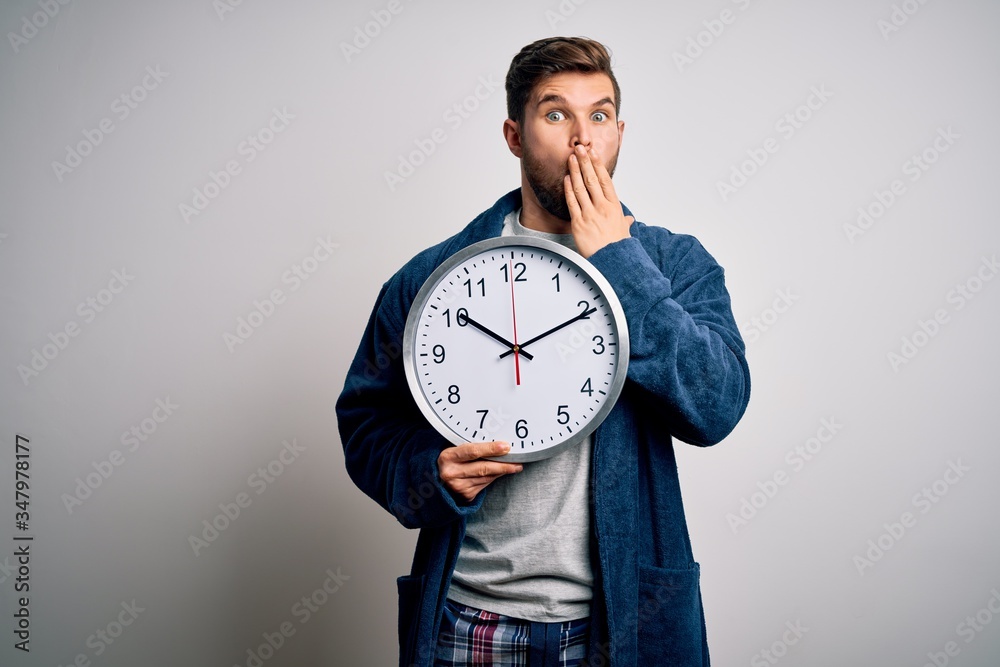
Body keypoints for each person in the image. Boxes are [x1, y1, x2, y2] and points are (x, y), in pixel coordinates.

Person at [336, 36, 751, 667]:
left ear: (620, 132)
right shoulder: (430, 277)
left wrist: (618, 260)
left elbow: (716, 406)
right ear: (514, 136)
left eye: (600, 116)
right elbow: (366, 424)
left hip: (624, 626)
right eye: (556, 114)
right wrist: (429, 473)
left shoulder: (676, 265)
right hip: (468, 617)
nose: (582, 139)